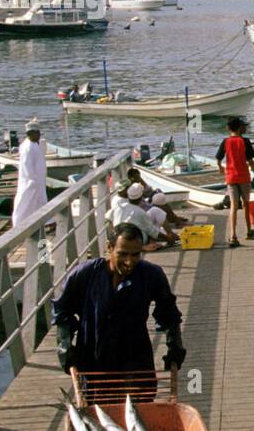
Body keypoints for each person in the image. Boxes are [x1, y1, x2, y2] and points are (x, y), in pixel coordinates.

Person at [53, 221, 186, 401]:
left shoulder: (151, 274)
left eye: (136, 255)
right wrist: (65, 345)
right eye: (122, 254)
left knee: (140, 413)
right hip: (95, 361)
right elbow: (62, 311)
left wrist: (174, 345)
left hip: (135, 360)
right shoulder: (84, 274)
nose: (129, 262)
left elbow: (169, 313)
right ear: (109, 247)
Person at [216, 116, 254, 247]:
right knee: (246, 204)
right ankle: (248, 231)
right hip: (243, 177)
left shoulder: (225, 142)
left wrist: (221, 169)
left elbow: (218, 159)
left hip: (231, 177)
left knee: (234, 206)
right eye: (243, 126)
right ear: (240, 128)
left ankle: (233, 236)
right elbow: (251, 162)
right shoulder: (245, 141)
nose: (245, 127)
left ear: (228, 128)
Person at [11, 118, 48, 230]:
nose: (39, 135)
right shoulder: (27, 147)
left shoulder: (34, 144)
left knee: (38, 202)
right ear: (30, 134)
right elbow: (27, 166)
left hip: (38, 181)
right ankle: (18, 224)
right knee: (24, 202)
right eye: (37, 133)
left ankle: (43, 222)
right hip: (30, 182)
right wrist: (33, 179)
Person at [109, 183, 170, 249]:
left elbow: (108, 218)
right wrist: (167, 238)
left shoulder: (118, 206)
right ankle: (169, 234)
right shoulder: (139, 211)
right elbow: (151, 231)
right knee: (153, 219)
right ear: (141, 197)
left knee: (152, 214)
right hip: (135, 240)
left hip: (120, 238)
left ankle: (163, 237)